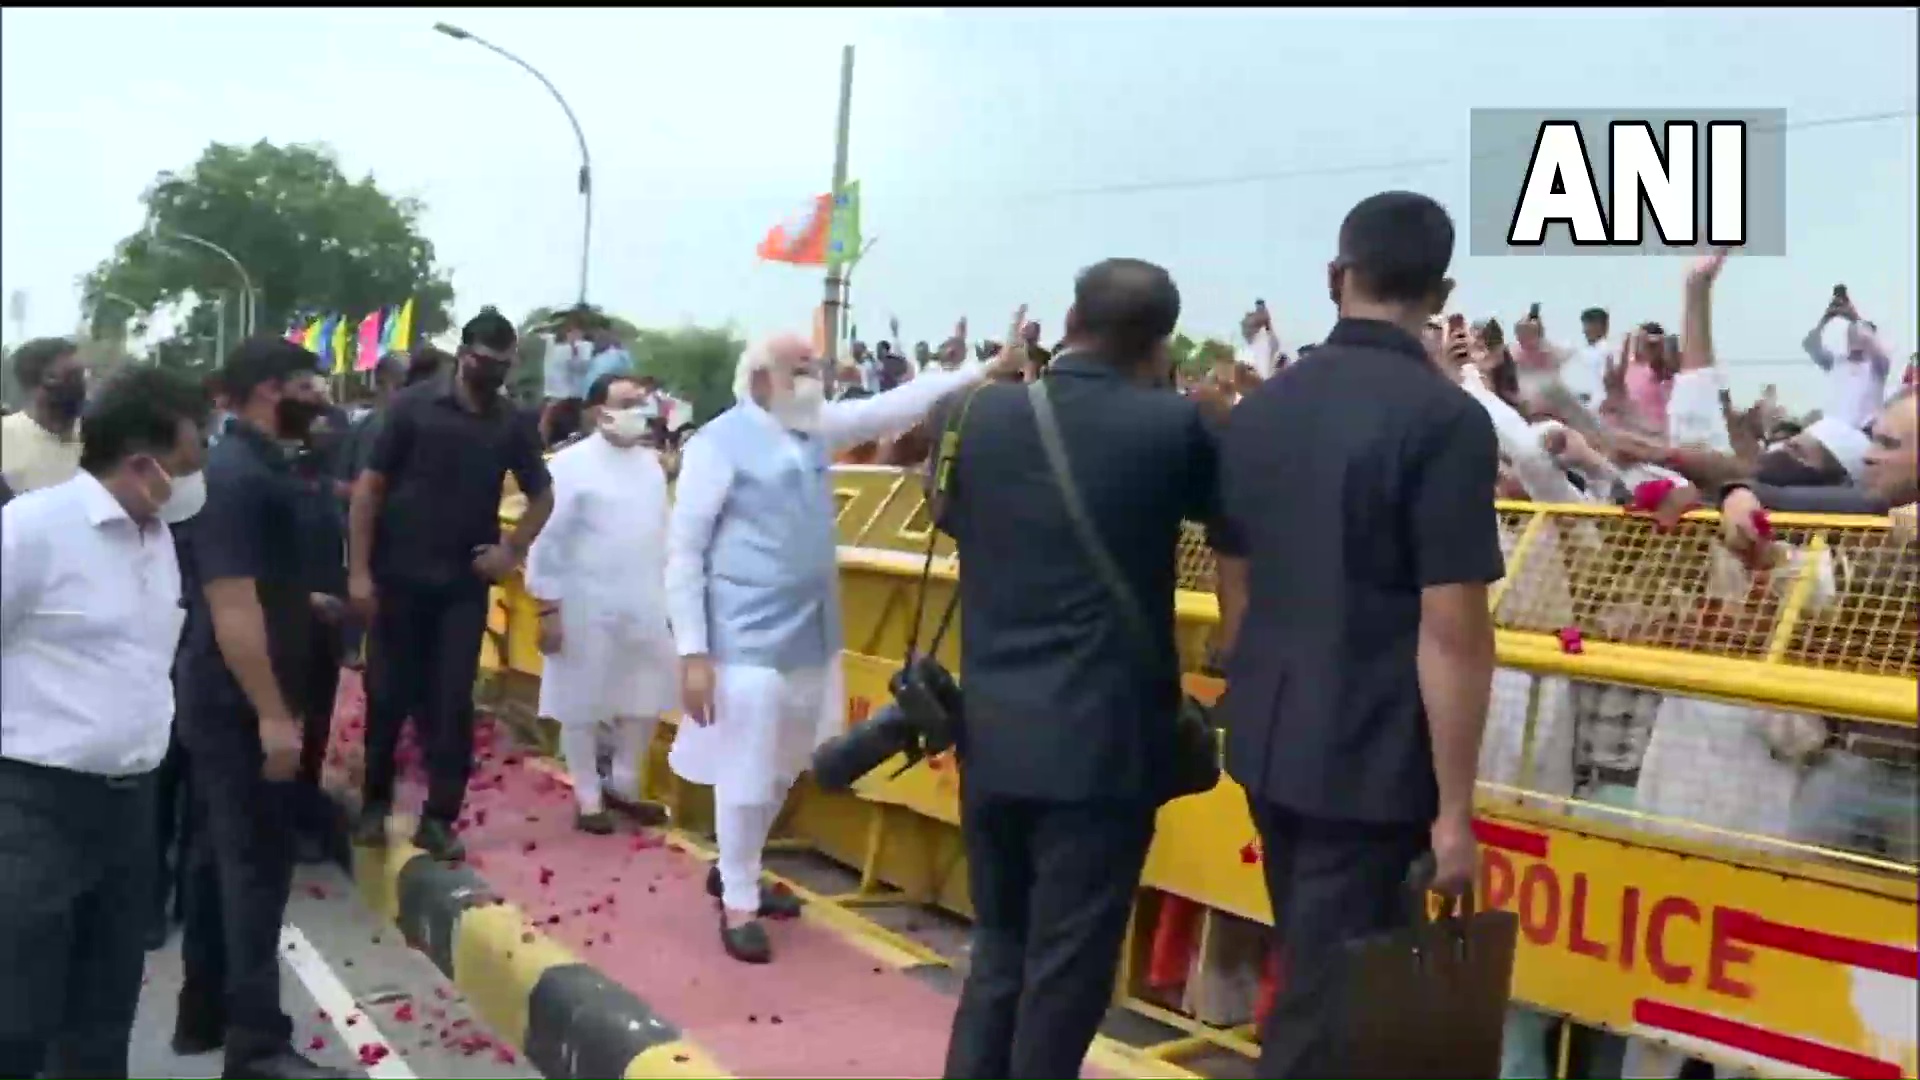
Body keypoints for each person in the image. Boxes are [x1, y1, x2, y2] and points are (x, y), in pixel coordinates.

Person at [1213, 191, 1502, 1079]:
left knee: (1314, 973)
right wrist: (1455, 813)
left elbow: (1236, 579)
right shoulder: (1446, 421)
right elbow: (1453, 632)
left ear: (1337, 277)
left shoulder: (1259, 410)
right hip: (1370, 761)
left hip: (1267, 737)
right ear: (1441, 289)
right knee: (1327, 1010)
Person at [934, 264, 1230, 1080]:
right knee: (1067, 970)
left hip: (989, 731)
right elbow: (1236, 527)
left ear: (1069, 319)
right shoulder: (1176, 428)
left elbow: (947, 513)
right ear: (1161, 342)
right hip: (1105, 747)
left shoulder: (975, 412)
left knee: (998, 951)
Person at [665, 331, 1013, 964]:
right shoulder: (717, 445)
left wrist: (984, 370)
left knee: (783, 760)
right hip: (742, 636)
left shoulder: (812, 427)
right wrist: (693, 652)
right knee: (746, 763)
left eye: (815, 368)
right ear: (762, 378)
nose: (815, 378)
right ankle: (739, 895)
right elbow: (684, 551)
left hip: (808, 632)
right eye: (800, 369)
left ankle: (734, 865)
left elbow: (894, 407)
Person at [0, 367, 208, 1080]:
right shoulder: (33, 530)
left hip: (129, 809)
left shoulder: (159, 542)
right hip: (32, 808)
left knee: (102, 1014)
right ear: (142, 462)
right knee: (16, 1015)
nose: (194, 479)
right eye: (187, 463)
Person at [172, 338, 346, 1080]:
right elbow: (232, 602)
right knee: (255, 867)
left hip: (236, 686)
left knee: (218, 856)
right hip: (240, 695)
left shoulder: (263, 464)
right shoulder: (237, 474)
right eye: (310, 381)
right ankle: (257, 1045)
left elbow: (261, 582)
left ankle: (204, 1010)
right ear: (272, 389)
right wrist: (274, 713)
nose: (322, 394)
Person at [349, 309, 553, 862]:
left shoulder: (510, 423)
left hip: (462, 585)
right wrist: (359, 572)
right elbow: (368, 491)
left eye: (504, 366)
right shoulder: (411, 410)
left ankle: (439, 817)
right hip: (397, 578)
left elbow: (542, 494)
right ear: (464, 356)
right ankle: (374, 805)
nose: (495, 374)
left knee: (450, 701)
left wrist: (513, 550)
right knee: (388, 695)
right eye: (486, 362)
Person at [526, 374, 678, 834]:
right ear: (598, 411)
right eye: (627, 402)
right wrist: (547, 607)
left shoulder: (651, 466)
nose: (639, 410)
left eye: (641, 401)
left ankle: (624, 786)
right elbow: (546, 541)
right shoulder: (569, 466)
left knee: (644, 696)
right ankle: (588, 797)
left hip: (644, 599)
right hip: (584, 602)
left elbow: (662, 535)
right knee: (582, 702)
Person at [1, 336, 87, 494]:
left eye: (82, 374)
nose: (81, 383)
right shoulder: (5, 436)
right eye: (72, 375)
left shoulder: (100, 436)